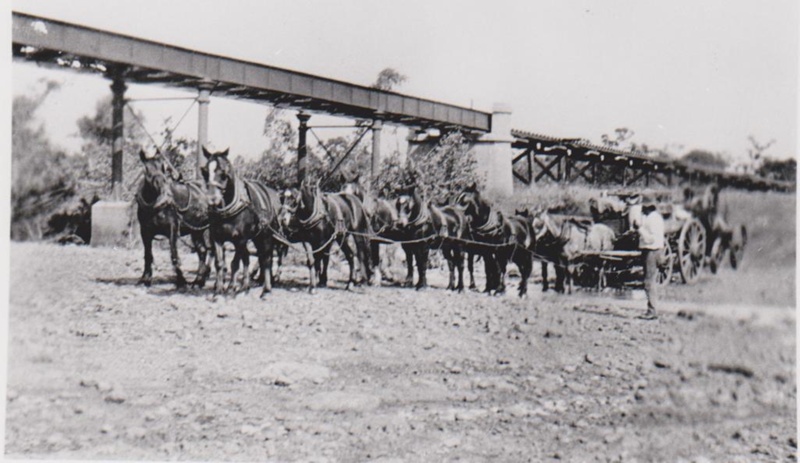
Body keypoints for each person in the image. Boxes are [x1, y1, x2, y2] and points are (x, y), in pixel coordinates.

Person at [627, 195, 665, 320]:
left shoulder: (653, 219)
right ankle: (652, 309)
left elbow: (650, 239)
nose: (642, 209)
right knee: (650, 280)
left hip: (652, 251)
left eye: (643, 207)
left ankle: (652, 311)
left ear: (648, 207)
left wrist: (639, 229)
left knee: (649, 282)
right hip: (653, 250)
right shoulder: (654, 217)